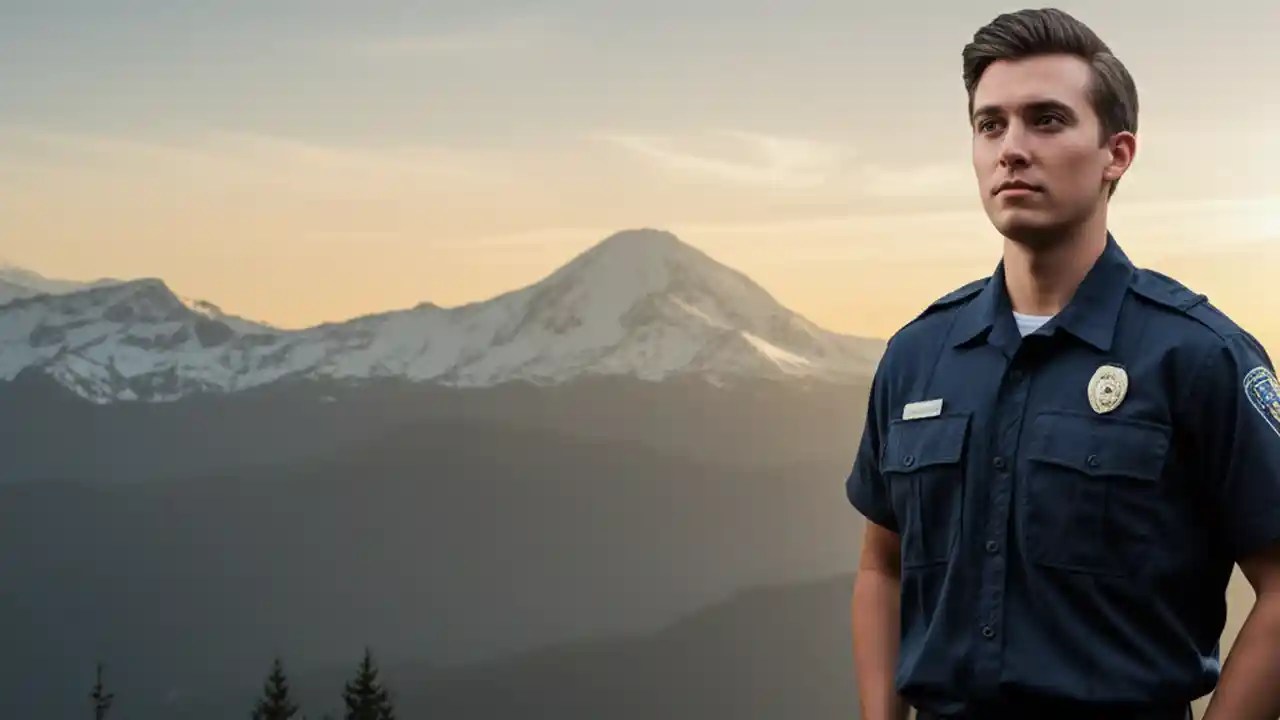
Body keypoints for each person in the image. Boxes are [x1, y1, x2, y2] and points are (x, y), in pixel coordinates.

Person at [845, 8, 1280, 720]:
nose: (1011, 148)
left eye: (1046, 120)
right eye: (991, 125)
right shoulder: (917, 357)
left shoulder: (1198, 356)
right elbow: (880, 566)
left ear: (1117, 153)